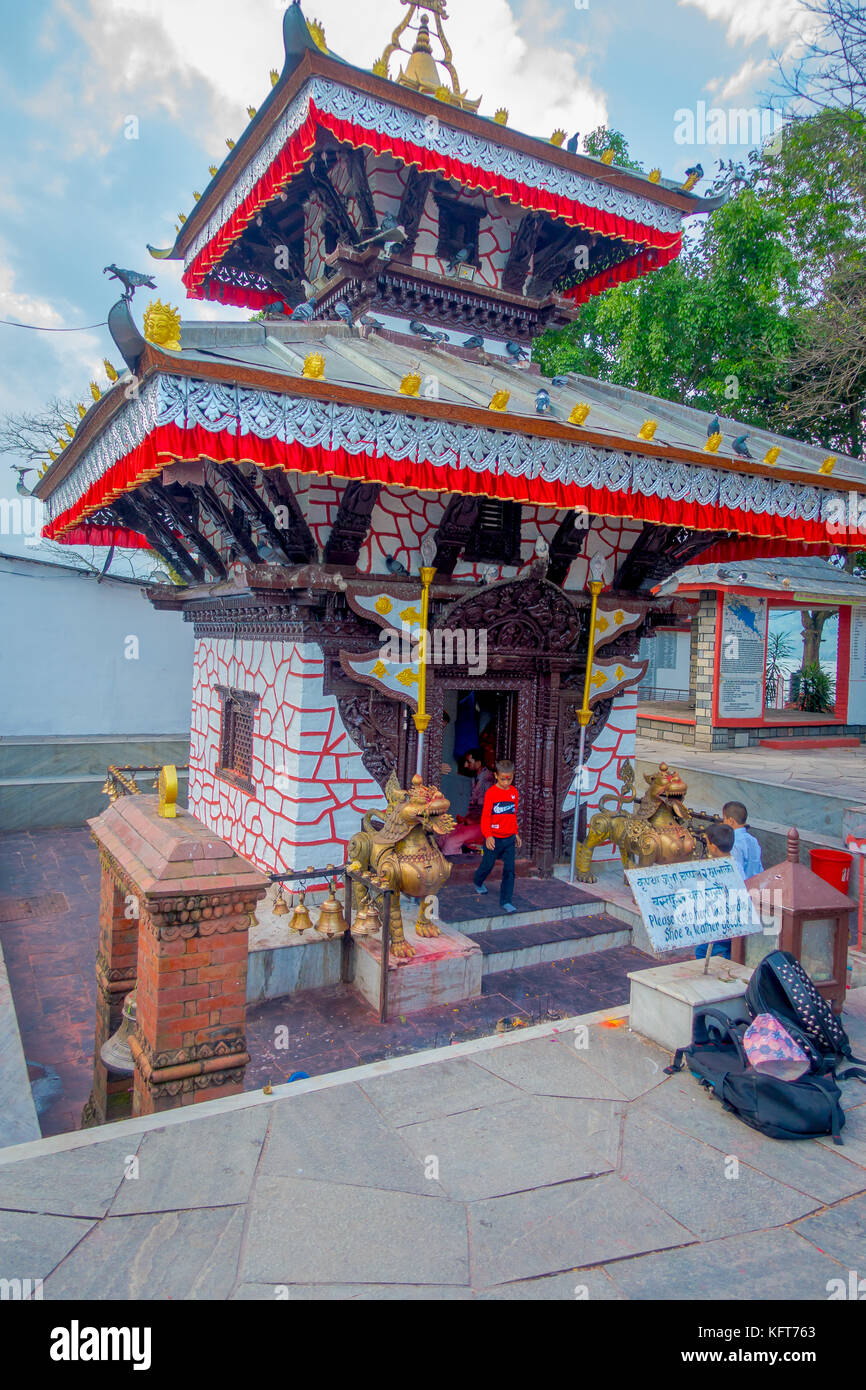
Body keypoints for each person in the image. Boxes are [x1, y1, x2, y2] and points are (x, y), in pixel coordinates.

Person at [473, 759, 521, 913]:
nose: (506, 782)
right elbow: (486, 817)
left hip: (509, 839)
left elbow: (513, 815)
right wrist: (488, 836)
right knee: (488, 864)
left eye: (509, 779)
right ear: (496, 776)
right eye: (503, 779)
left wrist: (516, 833)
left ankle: (506, 901)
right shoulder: (491, 793)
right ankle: (478, 881)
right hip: (494, 838)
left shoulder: (514, 793)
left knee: (510, 870)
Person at [440, 750, 494, 855]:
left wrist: (472, 821)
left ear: (478, 763)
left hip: (484, 826)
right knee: (443, 837)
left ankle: (456, 869)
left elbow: (491, 812)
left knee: (451, 843)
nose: (465, 765)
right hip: (472, 822)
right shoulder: (476, 776)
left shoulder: (488, 779)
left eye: (468, 762)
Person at [694, 821, 735, 959]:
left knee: (701, 951)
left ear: (713, 846)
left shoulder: (716, 870)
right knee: (730, 952)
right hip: (734, 923)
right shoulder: (735, 865)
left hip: (722, 924)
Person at [722, 801, 763, 880]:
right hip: (757, 883)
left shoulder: (732, 842)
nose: (723, 822)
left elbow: (736, 873)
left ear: (731, 821)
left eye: (724, 819)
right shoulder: (753, 840)